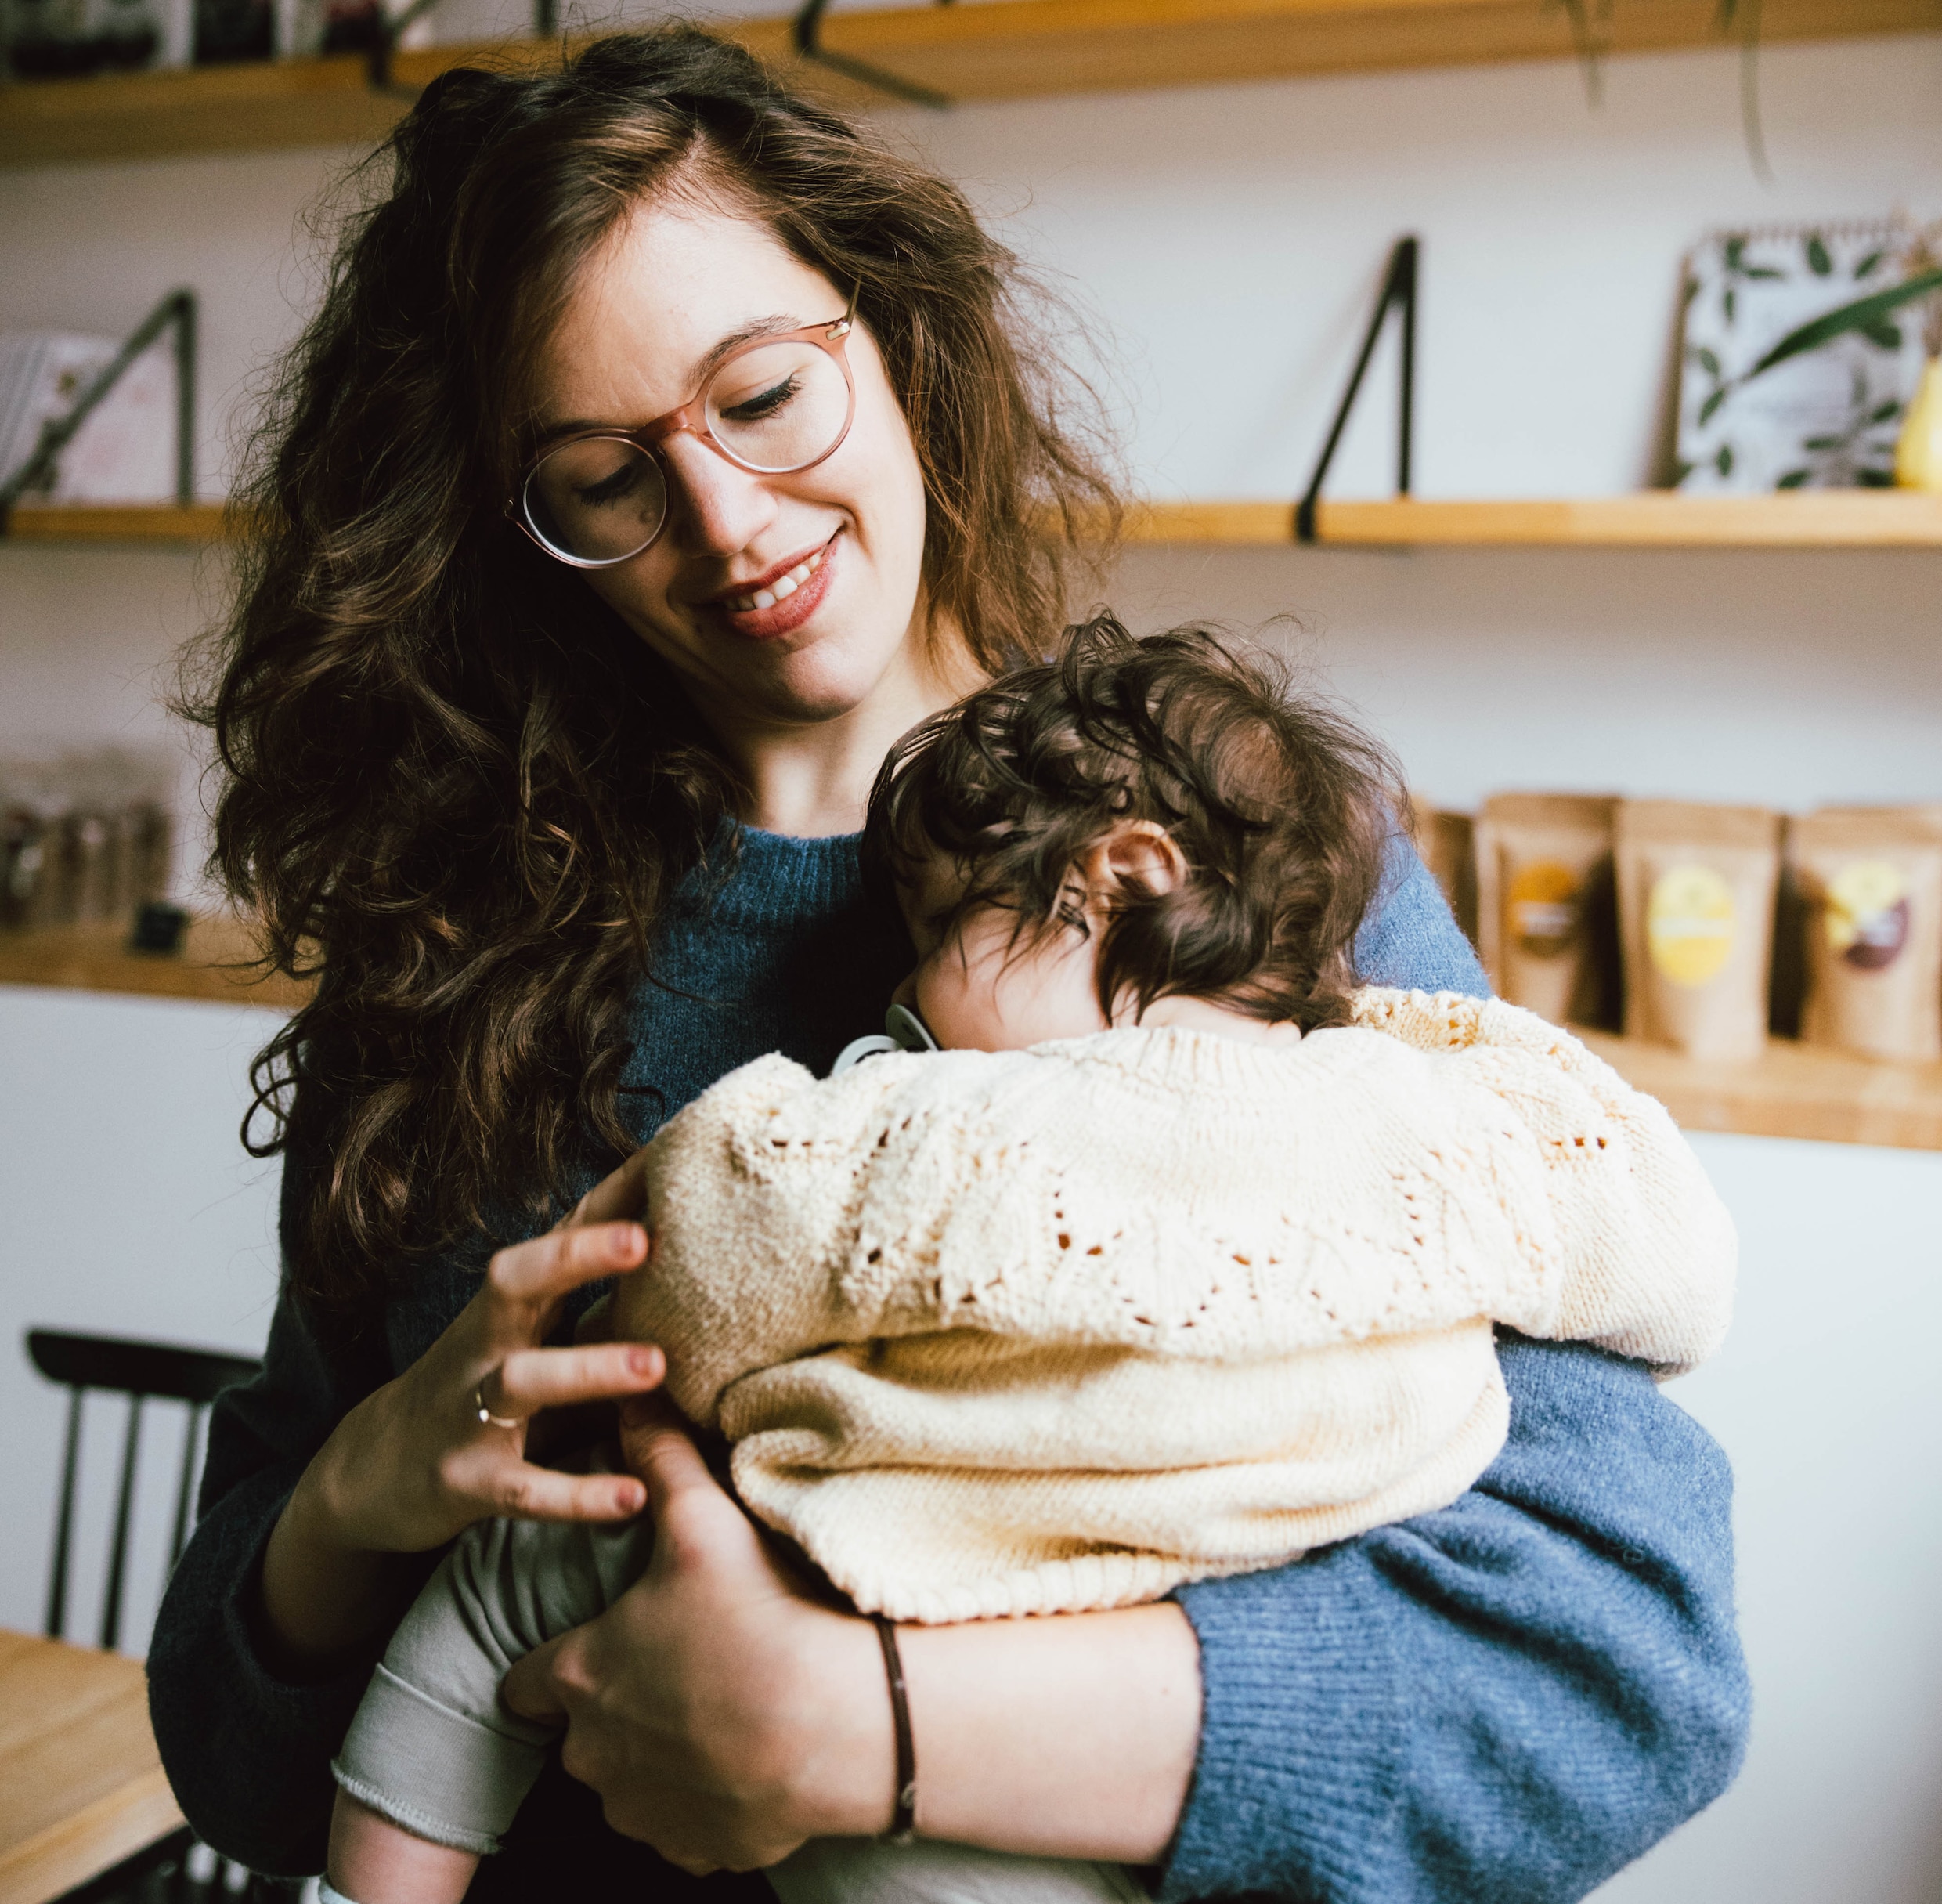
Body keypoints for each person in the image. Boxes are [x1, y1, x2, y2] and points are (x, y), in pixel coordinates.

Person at [148, 27, 1750, 1903]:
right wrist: (365, 1483)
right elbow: (228, 1748)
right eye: (604, 476)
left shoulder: (1210, 865)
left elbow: (1625, 1662)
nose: (730, 522)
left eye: (761, 395)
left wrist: (866, 1725)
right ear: (522, 535)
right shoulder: (450, 960)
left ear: (886, 328)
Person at [317, 620, 1737, 1904]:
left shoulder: (955, 1117)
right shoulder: (1432, 1099)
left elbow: (716, 1253)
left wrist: (656, 1243)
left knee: (524, 1566)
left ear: (1120, 878)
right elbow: (1669, 1264)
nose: (906, 982)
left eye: (941, 924)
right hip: (1156, 1711)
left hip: (910, 1590)